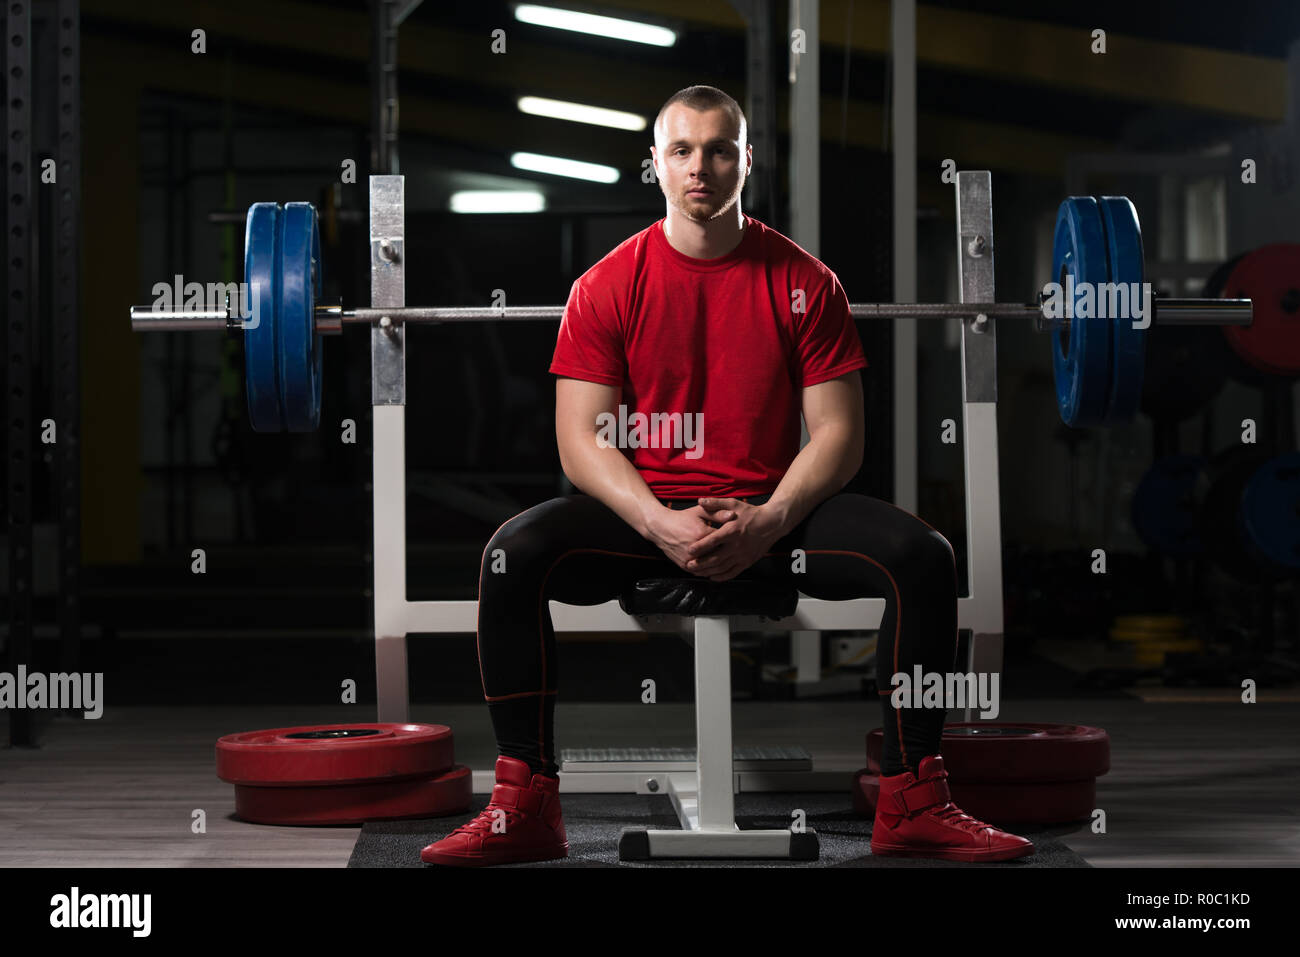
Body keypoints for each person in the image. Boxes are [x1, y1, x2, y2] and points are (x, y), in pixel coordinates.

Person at [421, 85, 1033, 866]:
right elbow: (581, 443)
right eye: (681, 151)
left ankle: (915, 797)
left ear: (748, 160)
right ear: (655, 164)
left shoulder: (807, 282)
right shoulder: (607, 285)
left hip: (776, 515)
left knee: (925, 556)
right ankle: (526, 804)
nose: (699, 167)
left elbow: (839, 436)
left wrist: (771, 518)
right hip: (647, 519)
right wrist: (657, 521)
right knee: (513, 551)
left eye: (718, 149)